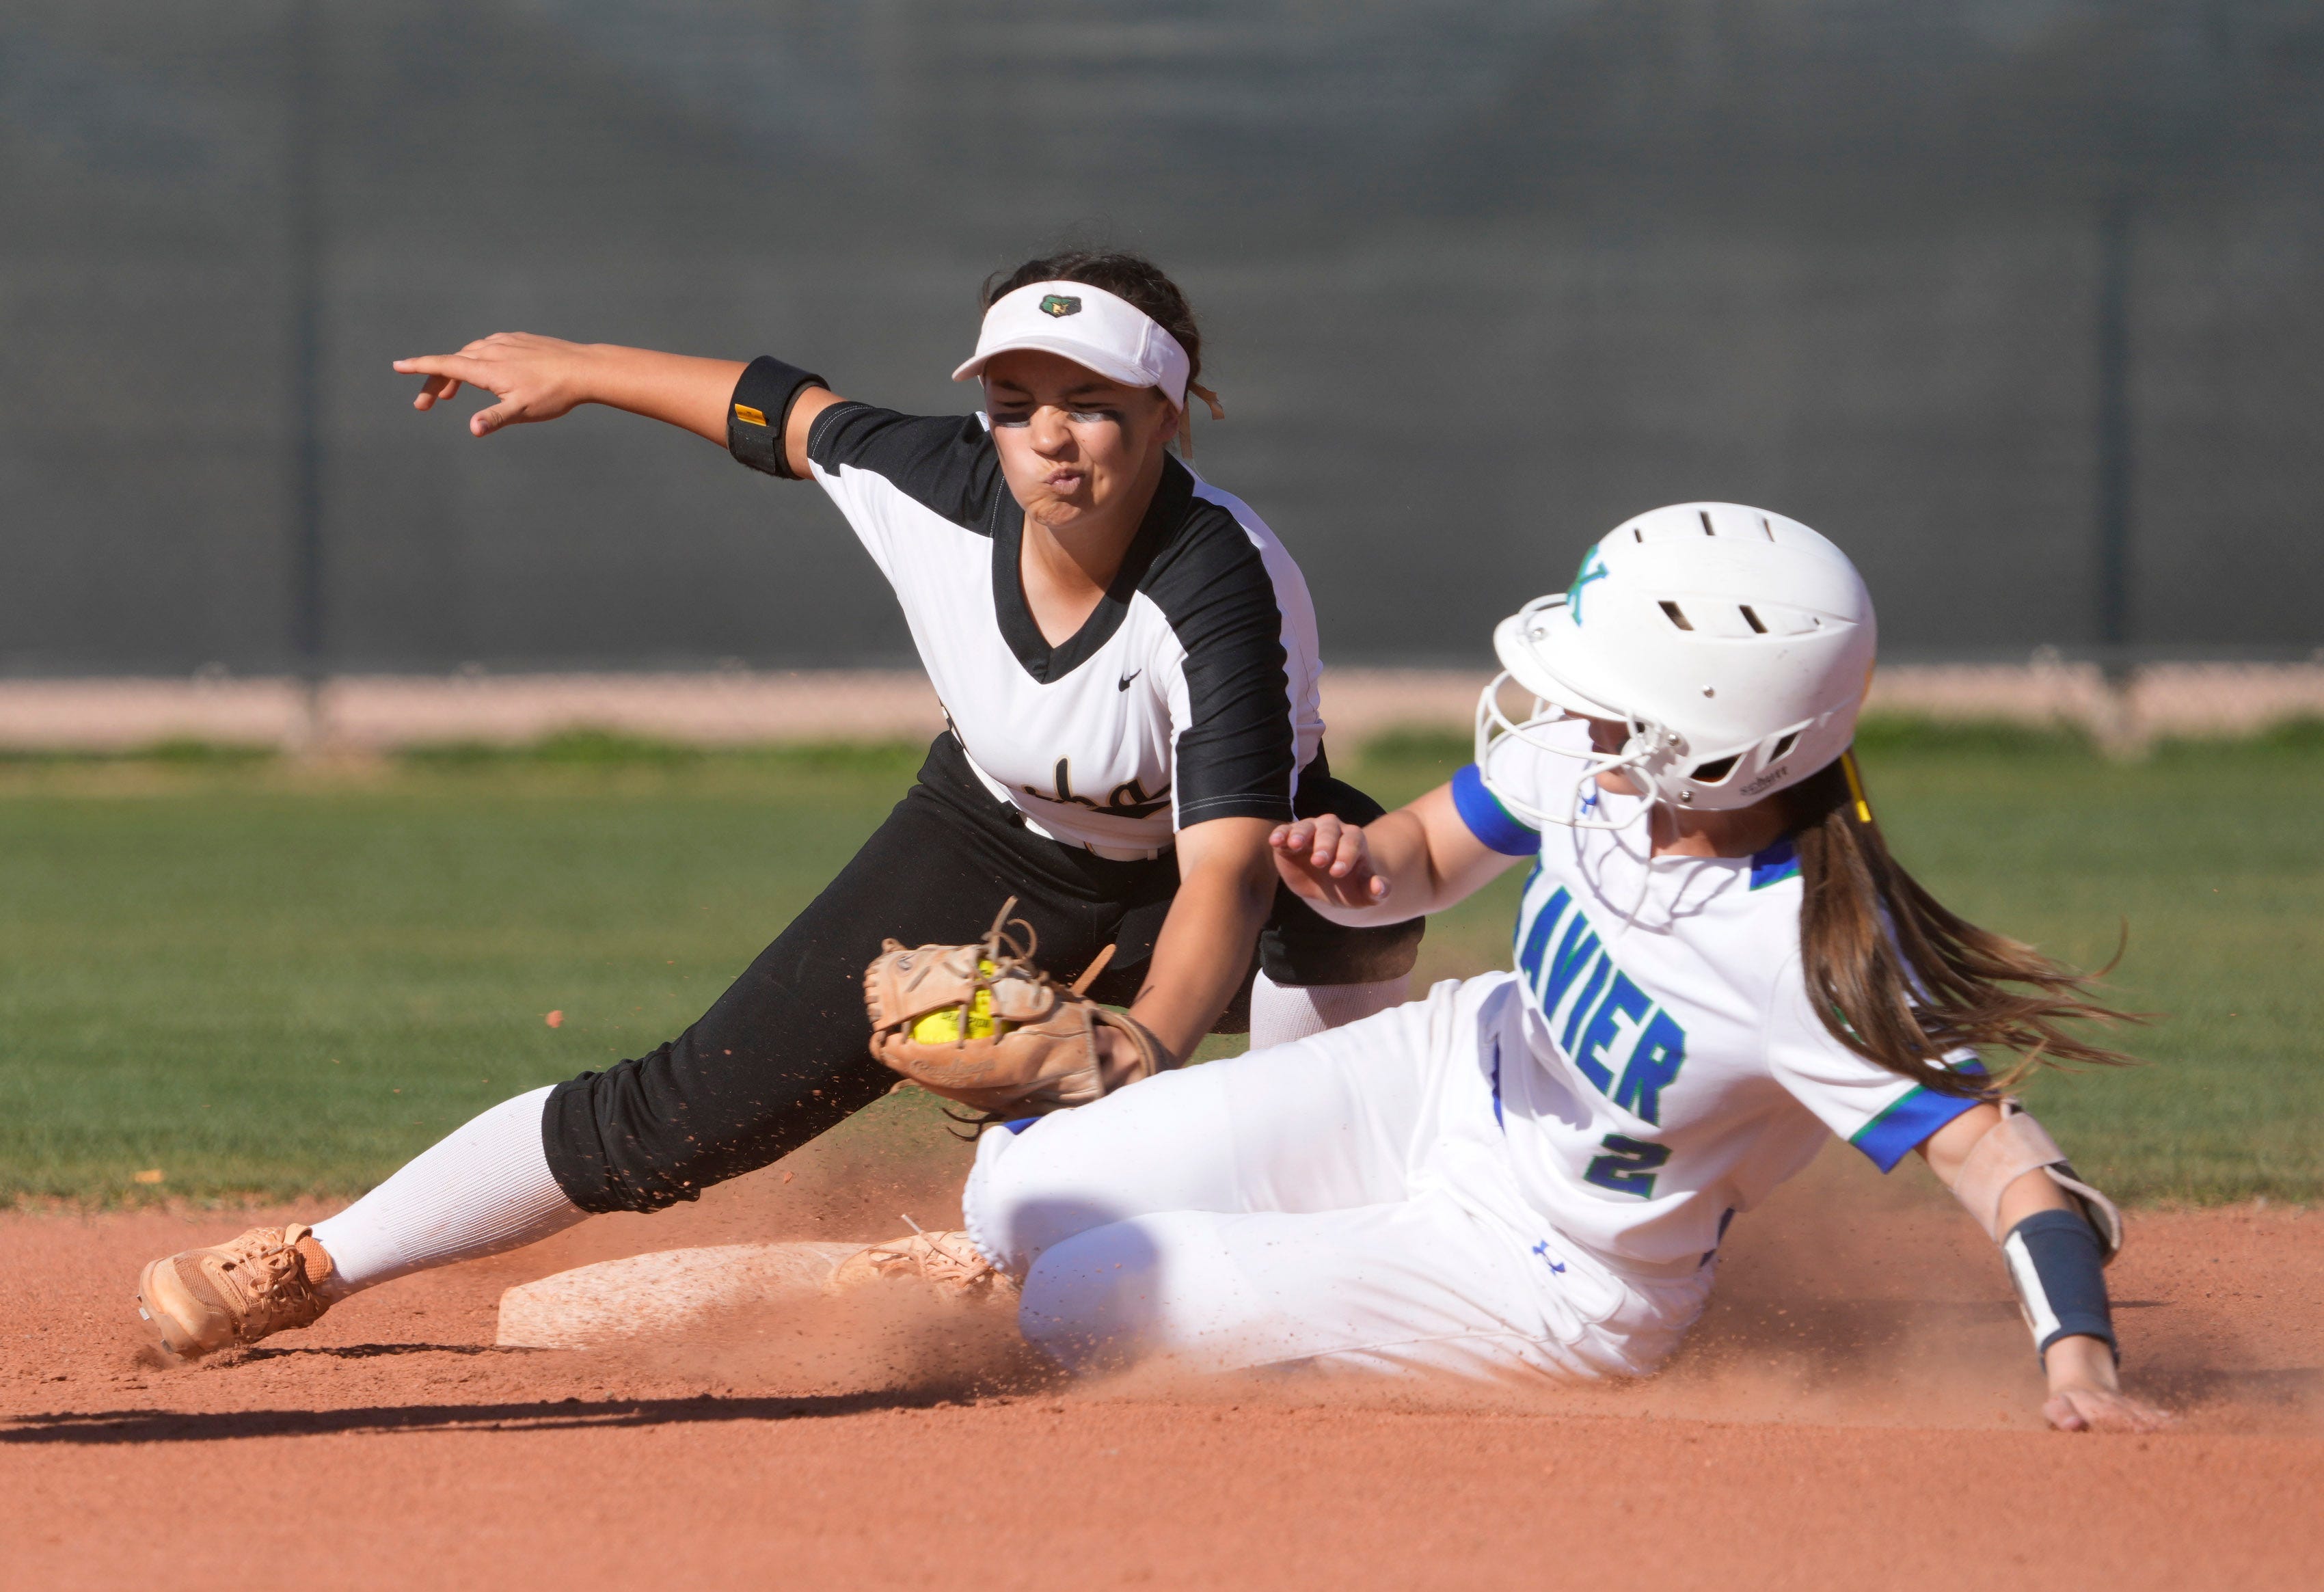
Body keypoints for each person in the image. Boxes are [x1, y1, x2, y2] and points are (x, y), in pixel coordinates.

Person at [133, 251, 1421, 1359]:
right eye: (1019, 401)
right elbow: (783, 414)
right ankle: (314, 1260)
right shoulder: (938, 481)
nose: (1050, 434)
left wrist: (1142, 1050)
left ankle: (1257, 1257)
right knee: (679, 1115)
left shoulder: (1217, 593)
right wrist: (580, 364)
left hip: (1222, 883)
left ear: (1170, 409)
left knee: (1301, 1000)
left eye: (1093, 404)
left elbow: (1226, 878)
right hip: (985, 832)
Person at [930, 502, 2167, 1433]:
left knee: (1079, 1299)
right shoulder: (1591, 765)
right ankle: (1302, 1265)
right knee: (1021, 1196)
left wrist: (2081, 1364)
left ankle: (1321, 1333)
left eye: (1620, 705)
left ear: (1730, 744)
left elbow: (2002, 1158)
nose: (1579, 716)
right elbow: (1422, 850)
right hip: (1436, 1079)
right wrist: (1359, 864)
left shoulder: (1808, 952)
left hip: (1548, 1280)